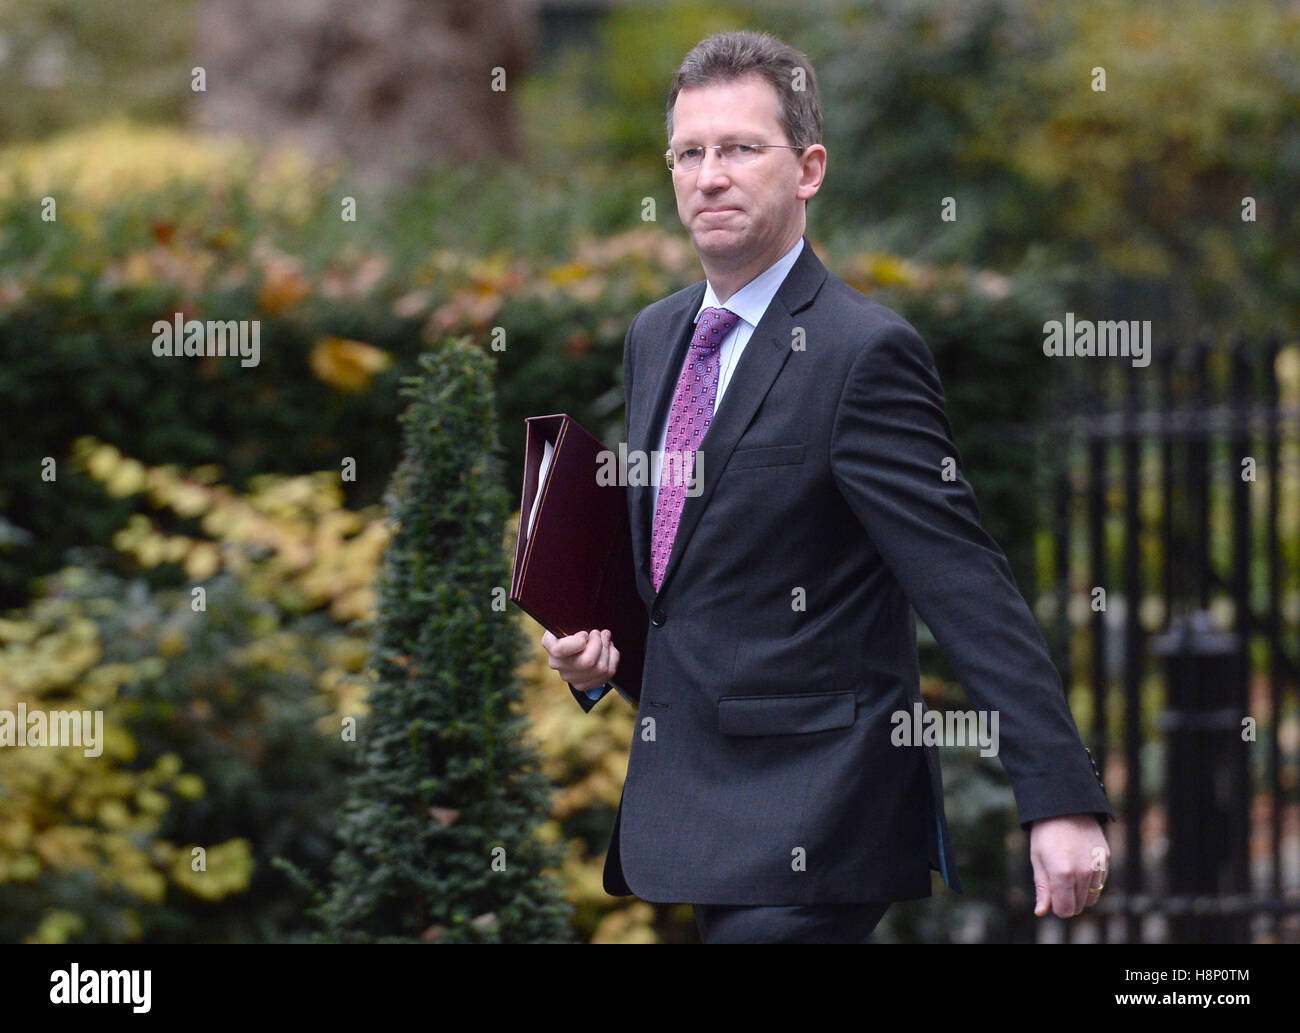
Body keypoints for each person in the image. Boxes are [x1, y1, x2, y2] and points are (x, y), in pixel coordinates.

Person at [542, 29, 1112, 944]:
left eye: (739, 148)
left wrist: (1059, 798)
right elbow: (682, 576)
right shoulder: (658, 336)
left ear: (807, 170)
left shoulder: (863, 354)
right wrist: (595, 657)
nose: (709, 174)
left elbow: (965, 582)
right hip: (694, 807)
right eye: (690, 152)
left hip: (822, 805)